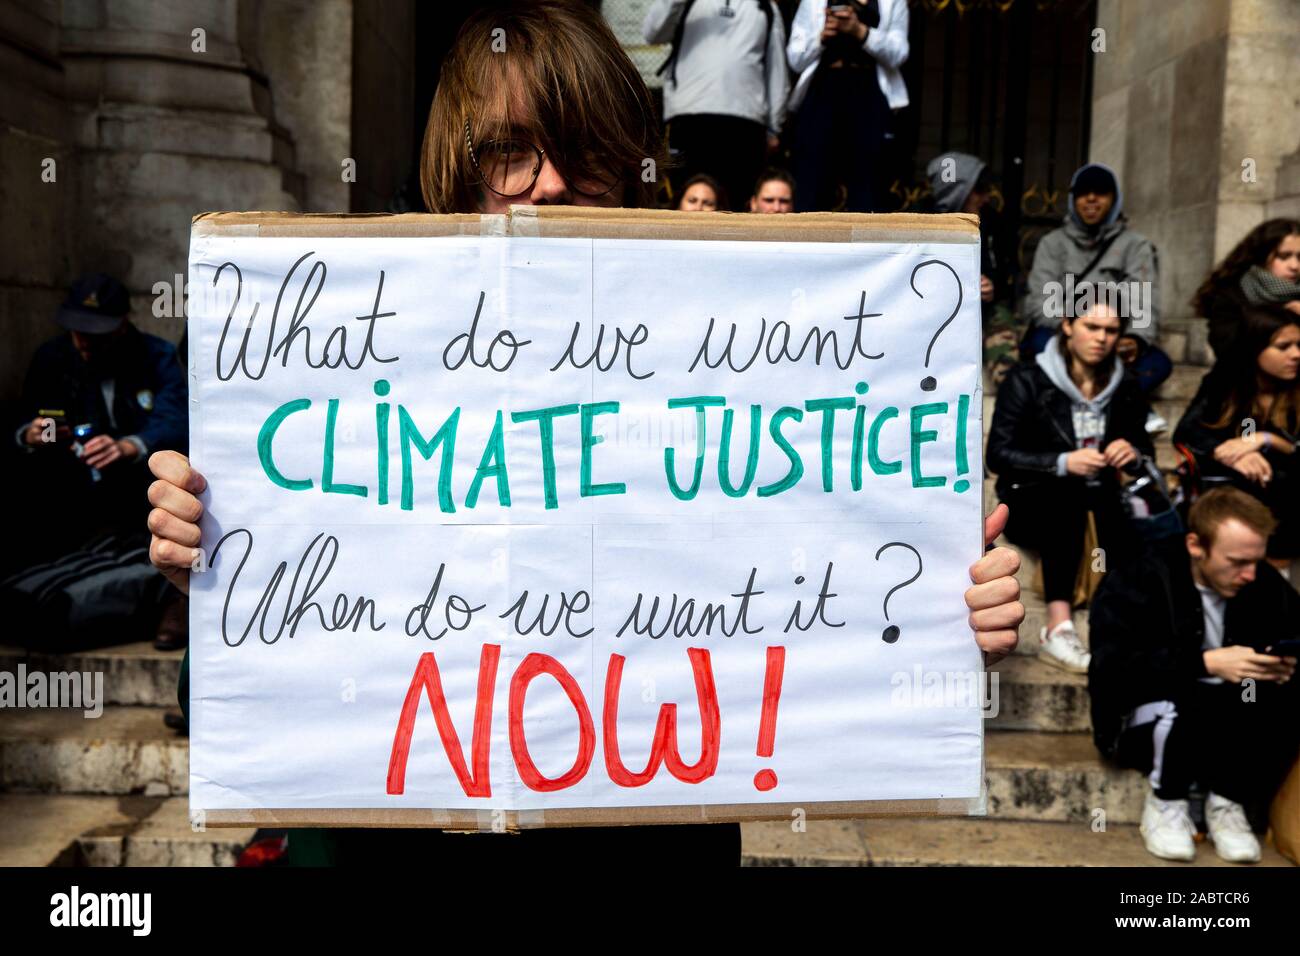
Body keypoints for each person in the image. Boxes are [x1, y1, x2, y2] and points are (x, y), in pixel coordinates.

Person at [146, 0, 1022, 866]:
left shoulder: (735, 358)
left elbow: (817, 588)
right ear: (452, 171)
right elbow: (274, 667)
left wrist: (944, 615)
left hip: (642, 828)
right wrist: (216, 569)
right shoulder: (332, 351)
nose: (553, 185)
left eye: (587, 153)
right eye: (509, 153)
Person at [1088, 487, 1298, 863]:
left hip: (1228, 719)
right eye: (1236, 562)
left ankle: (1227, 803)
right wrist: (1207, 663)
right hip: (1145, 718)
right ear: (1195, 544)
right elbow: (1111, 668)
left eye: (1256, 561)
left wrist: (1283, 667)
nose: (1249, 574)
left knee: (1268, 690)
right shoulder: (1140, 575)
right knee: (1190, 690)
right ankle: (1166, 801)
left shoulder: (1259, 579)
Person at [5, 273, 189, 649]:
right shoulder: (53, 358)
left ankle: (167, 598)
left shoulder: (157, 357)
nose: (85, 341)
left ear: (122, 325)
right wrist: (35, 435)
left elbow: (177, 419)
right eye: (78, 330)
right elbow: (34, 419)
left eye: (96, 332)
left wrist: (130, 446)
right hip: (71, 496)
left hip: (137, 497)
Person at [986, 295, 1151, 673]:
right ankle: (1057, 628)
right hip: (1031, 497)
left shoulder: (1124, 384)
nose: (1101, 338)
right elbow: (999, 454)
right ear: (1067, 325)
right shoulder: (1027, 379)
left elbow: (1142, 448)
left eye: (1111, 330)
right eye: (1091, 327)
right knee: (1068, 496)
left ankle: (1123, 632)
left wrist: (1133, 453)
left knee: (1133, 523)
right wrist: (1062, 462)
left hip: (1102, 495)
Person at [1021, 163, 1172, 427]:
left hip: (1111, 337)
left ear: (1114, 200)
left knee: (1158, 363)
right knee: (1038, 345)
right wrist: (1077, 332)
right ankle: (1126, 405)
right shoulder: (1052, 244)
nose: (1091, 199)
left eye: (1100, 192)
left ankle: (1099, 402)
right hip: (1063, 335)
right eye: (1083, 193)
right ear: (1073, 199)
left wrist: (1134, 339)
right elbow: (1040, 303)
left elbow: (1142, 302)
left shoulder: (1135, 246)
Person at [1173, 306, 1300, 563]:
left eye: (1299, 345)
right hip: (1234, 500)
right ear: (1255, 348)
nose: (1297, 354)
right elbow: (1187, 432)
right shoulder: (1224, 382)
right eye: (1283, 346)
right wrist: (1234, 455)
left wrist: (1267, 440)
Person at [643, 0, 788, 213]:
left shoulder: (765, 7)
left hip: (745, 123)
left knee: (737, 206)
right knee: (689, 200)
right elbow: (652, 33)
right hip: (690, 118)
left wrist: (775, 125)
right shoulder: (686, 4)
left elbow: (777, 71)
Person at [786, 0, 909, 212]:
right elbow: (795, 57)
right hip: (823, 91)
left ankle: (868, 243)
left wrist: (860, 31)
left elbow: (899, 53)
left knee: (869, 185)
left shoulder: (893, 2)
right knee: (811, 182)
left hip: (868, 93)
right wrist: (821, 37)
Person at [925, 151, 1019, 383]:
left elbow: (1010, 277)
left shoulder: (993, 222)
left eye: (987, 189)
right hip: (931, 310)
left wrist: (992, 286)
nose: (985, 197)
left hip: (984, 310)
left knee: (1007, 364)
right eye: (979, 190)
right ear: (958, 190)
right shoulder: (922, 222)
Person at [1191, 218, 1300, 362]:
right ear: (1262, 255)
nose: (1294, 265)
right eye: (1284, 256)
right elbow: (1228, 352)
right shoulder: (1232, 294)